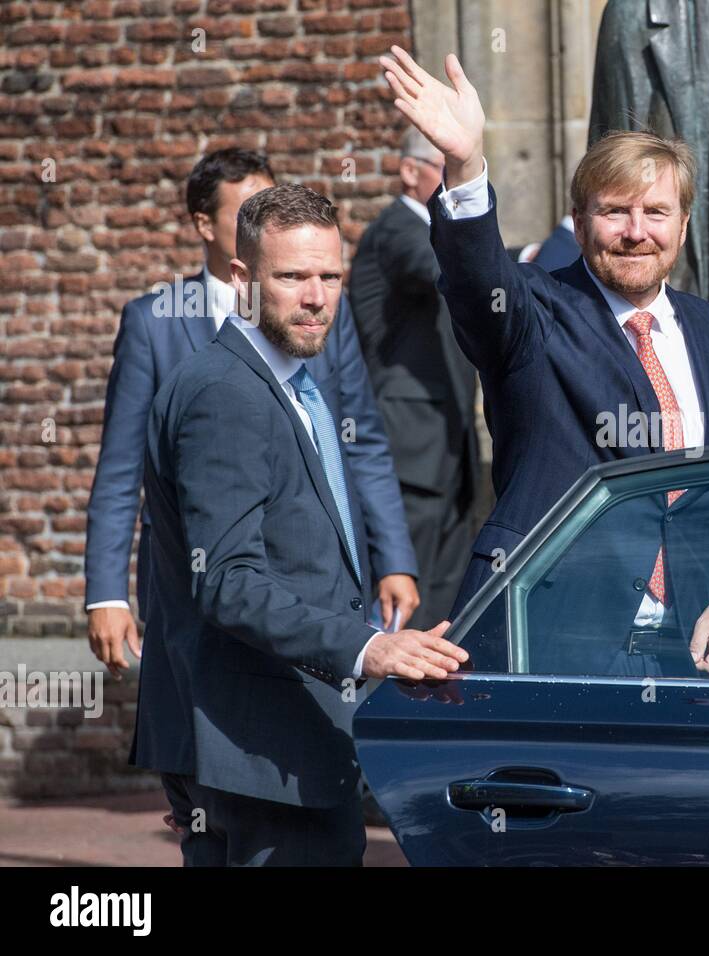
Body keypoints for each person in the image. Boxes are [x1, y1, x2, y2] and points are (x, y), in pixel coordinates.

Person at [380, 47, 709, 678]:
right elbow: (479, 280)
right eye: (615, 211)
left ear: (685, 222)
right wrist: (465, 163)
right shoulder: (534, 308)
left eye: (656, 213)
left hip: (694, 654)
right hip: (553, 638)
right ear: (581, 219)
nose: (636, 230)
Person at [140, 184, 468, 866]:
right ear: (242, 279)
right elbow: (227, 581)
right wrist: (367, 648)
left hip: (287, 741)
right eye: (291, 277)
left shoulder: (292, 382)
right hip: (258, 752)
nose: (316, 297)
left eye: (329, 276)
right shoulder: (227, 392)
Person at [85, 149, 419, 677]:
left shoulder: (322, 311)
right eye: (247, 207)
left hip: (319, 590)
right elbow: (121, 468)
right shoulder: (156, 323)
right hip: (201, 582)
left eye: (330, 277)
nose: (315, 294)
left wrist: (393, 558)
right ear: (204, 224)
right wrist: (107, 592)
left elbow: (362, 440)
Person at [348, 128, 480, 627]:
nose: (455, 183)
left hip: (447, 450)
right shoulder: (398, 229)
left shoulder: (428, 232)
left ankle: (431, 700)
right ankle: (381, 701)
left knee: (444, 605)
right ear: (410, 171)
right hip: (409, 451)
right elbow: (440, 269)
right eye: (446, 170)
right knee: (402, 599)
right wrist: (527, 260)